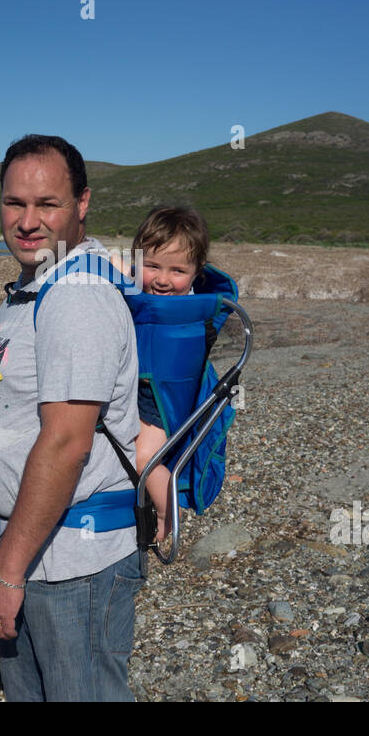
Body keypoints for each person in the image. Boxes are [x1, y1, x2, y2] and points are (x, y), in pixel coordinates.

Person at [0, 134, 144, 702]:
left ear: (82, 205)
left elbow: (67, 444)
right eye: (15, 203)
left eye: (48, 205)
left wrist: (5, 573)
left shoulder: (76, 298)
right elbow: (17, 400)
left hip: (72, 561)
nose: (28, 221)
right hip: (39, 542)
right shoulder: (34, 282)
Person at [126, 206, 210, 543]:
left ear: (195, 273)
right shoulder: (134, 287)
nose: (162, 280)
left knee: (142, 456)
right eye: (152, 266)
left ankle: (167, 510)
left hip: (158, 396)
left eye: (177, 270)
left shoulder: (186, 307)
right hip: (137, 386)